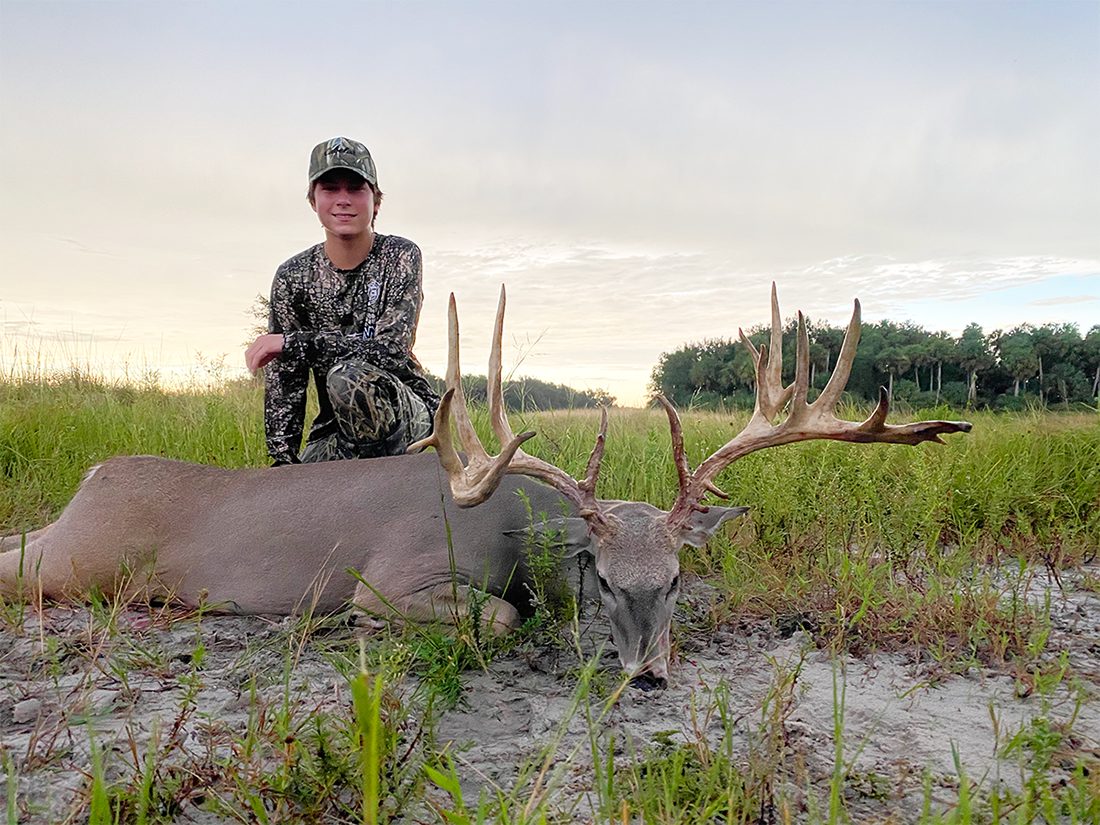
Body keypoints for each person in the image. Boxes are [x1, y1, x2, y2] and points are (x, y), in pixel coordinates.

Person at [245, 137, 439, 466]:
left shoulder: (401, 256)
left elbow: (390, 352)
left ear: (376, 201)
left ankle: (388, 487)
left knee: (348, 378)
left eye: (356, 189)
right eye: (331, 189)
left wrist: (293, 343)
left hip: (406, 413)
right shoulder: (292, 276)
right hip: (336, 429)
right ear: (313, 200)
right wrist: (282, 464)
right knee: (297, 485)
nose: (343, 201)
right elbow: (285, 382)